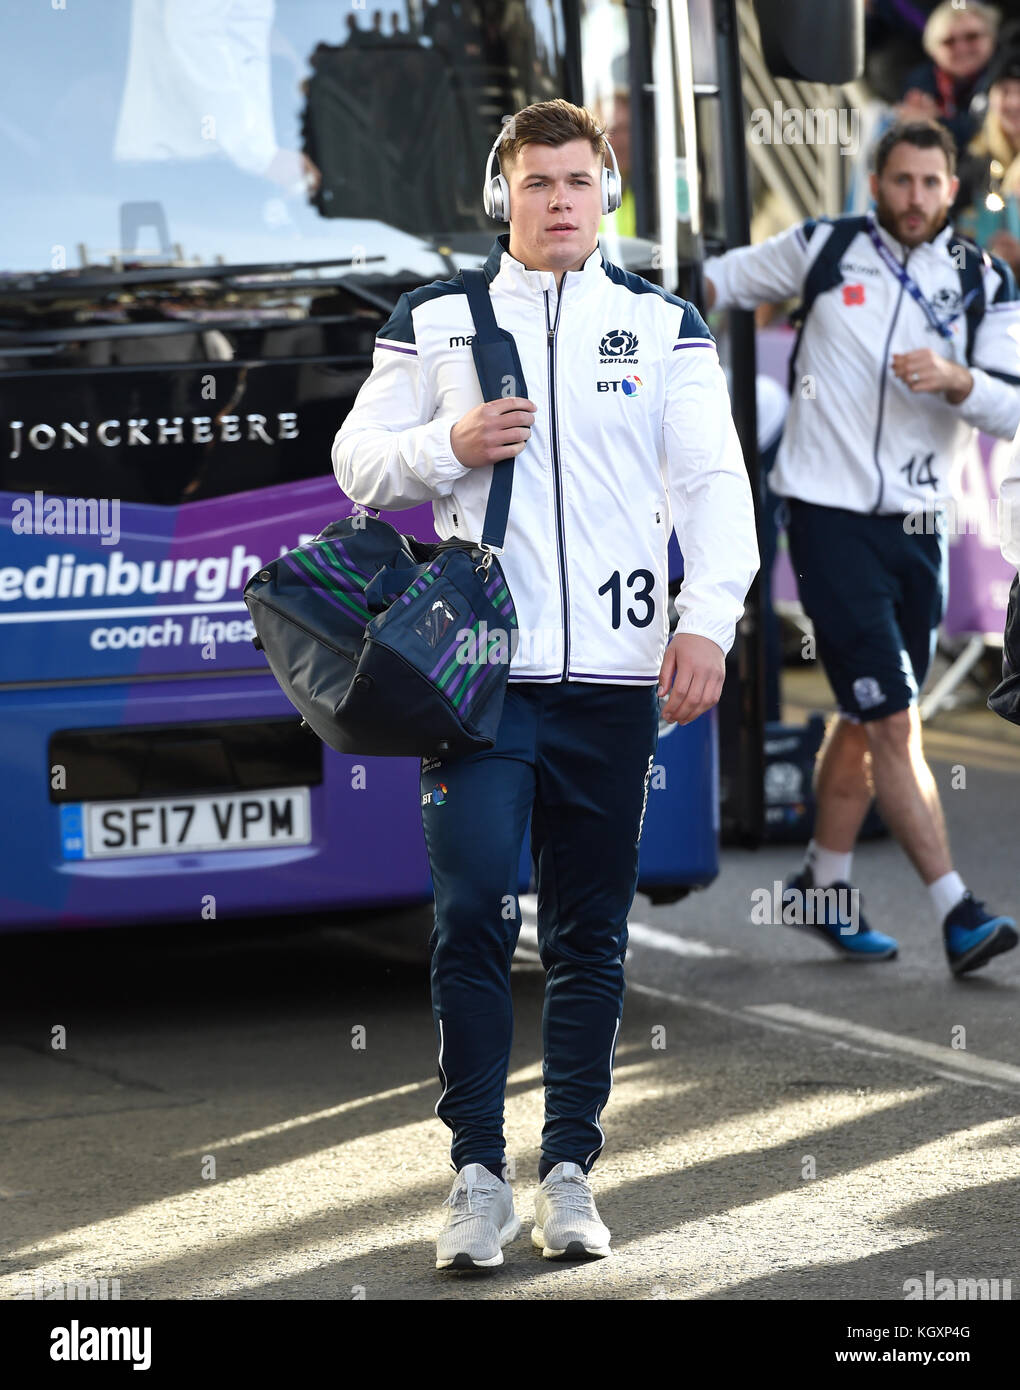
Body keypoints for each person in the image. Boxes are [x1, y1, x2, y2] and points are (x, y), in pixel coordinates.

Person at [332, 98, 758, 1270]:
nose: (560, 201)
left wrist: (707, 622)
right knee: (473, 909)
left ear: (607, 193)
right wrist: (445, 446)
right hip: (482, 679)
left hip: (617, 679)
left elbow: (716, 488)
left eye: (578, 181)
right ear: (500, 197)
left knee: (590, 932)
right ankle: (476, 1176)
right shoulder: (435, 319)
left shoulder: (663, 323)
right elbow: (358, 462)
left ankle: (570, 1169)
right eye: (537, 184)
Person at [703, 119, 1020, 976]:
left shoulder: (985, 282)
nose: (914, 198)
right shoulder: (824, 247)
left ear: (952, 190)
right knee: (892, 718)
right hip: (826, 517)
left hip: (922, 529)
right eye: (901, 180)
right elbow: (709, 282)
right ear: (875, 183)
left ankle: (822, 883)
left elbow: (1012, 404)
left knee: (870, 705)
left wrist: (959, 381)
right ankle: (959, 912)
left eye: (930, 183)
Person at [897, 0, 999, 153]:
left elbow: (985, 135)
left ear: (992, 38)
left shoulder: (1006, 78)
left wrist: (935, 122)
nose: (961, 47)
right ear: (932, 49)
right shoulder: (919, 81)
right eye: (949, 41)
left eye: (972, 37)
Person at [955, 47, 1020, 277]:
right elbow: (947, 234)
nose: (1015, 102)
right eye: (1005, 91)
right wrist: (982, 256)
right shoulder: (975, 160)